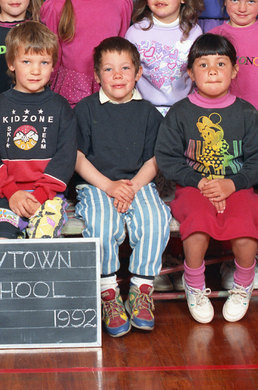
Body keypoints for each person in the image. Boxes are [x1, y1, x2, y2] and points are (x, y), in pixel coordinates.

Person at [155, 34, 258, 324]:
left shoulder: (247, 113)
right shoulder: (180, 112)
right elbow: (167, 159)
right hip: (193, 187)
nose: (212, 71)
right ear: (190, 72)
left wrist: (231, 184)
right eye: (203, 64)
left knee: (245, 225)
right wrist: (200, 183)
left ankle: (243, 283)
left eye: (221, 64)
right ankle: (194, 285)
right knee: (196, 224)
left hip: (238, 186)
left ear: (234, 70)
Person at [73, 37, 168, 337]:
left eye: (125, 68)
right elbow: (76, 157)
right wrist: (109, 186)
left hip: (138, 183)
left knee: (155, 220)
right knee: (102, 225)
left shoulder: (149, 113)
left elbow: (155, 159)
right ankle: (109, 294)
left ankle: (141, 290)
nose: (117, 76)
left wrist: (133, 186)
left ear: (138, 73)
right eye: (108, 69)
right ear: (96, 75)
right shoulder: (85, 110)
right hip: (97, 184)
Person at [0, 22, 77, 239]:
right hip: (6, 195)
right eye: (26, 61)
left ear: (53, 66)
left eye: (44, 62)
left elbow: (65, 158)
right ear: (11, 63)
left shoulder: (60, 108)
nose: (35, 70)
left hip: (49, 197)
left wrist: (40, 195)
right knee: (2, 239)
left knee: (42, 238)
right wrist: (12, 193)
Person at [124, 0, 204, 115]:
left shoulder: (195, 32)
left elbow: (199, 77)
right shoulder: (135, 33)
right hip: (145, 112)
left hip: (184, 111)